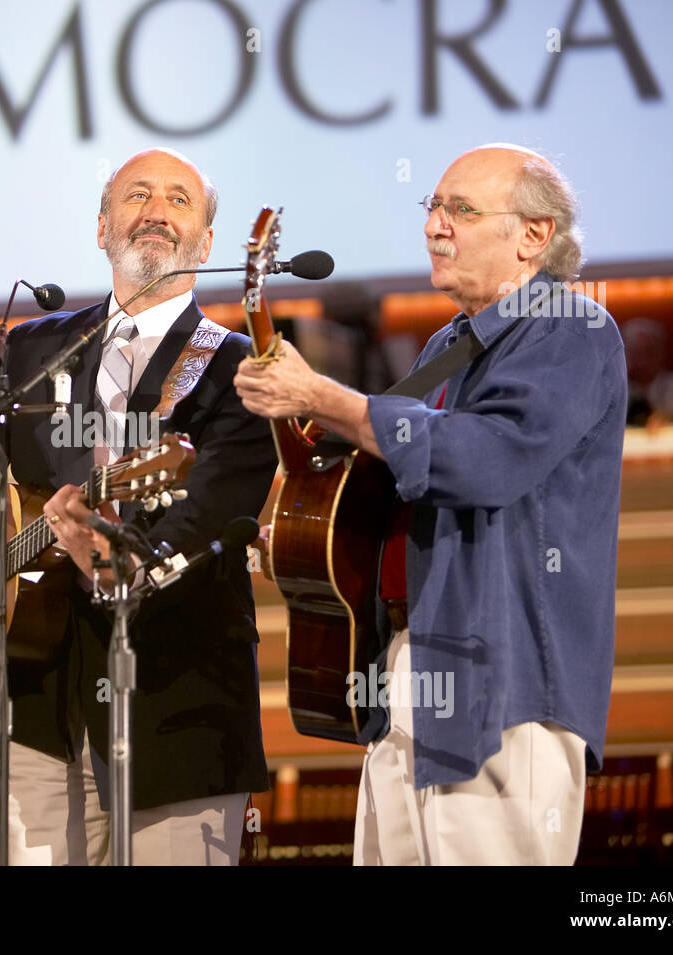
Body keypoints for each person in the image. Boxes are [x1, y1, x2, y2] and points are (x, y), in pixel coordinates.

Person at [0, 147, 276, 865]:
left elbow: (210, 522)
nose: (155, 212)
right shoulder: (30, 352)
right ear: (101, 227)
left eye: (179, 199)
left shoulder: (237, 370)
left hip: (177, 716)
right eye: (136, 195)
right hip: (34, 719)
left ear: (208, 242)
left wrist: (114, 562)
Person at [235, 144, 627, 865]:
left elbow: (483, 460)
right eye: (433, 207)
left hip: (502, 686)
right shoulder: (450, 345)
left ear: (533, 235)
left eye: (462, 210)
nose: (435, 226)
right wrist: (306, 532)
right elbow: (390, 483)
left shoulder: (573, 330)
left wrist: (322, 394)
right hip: (404, 677)